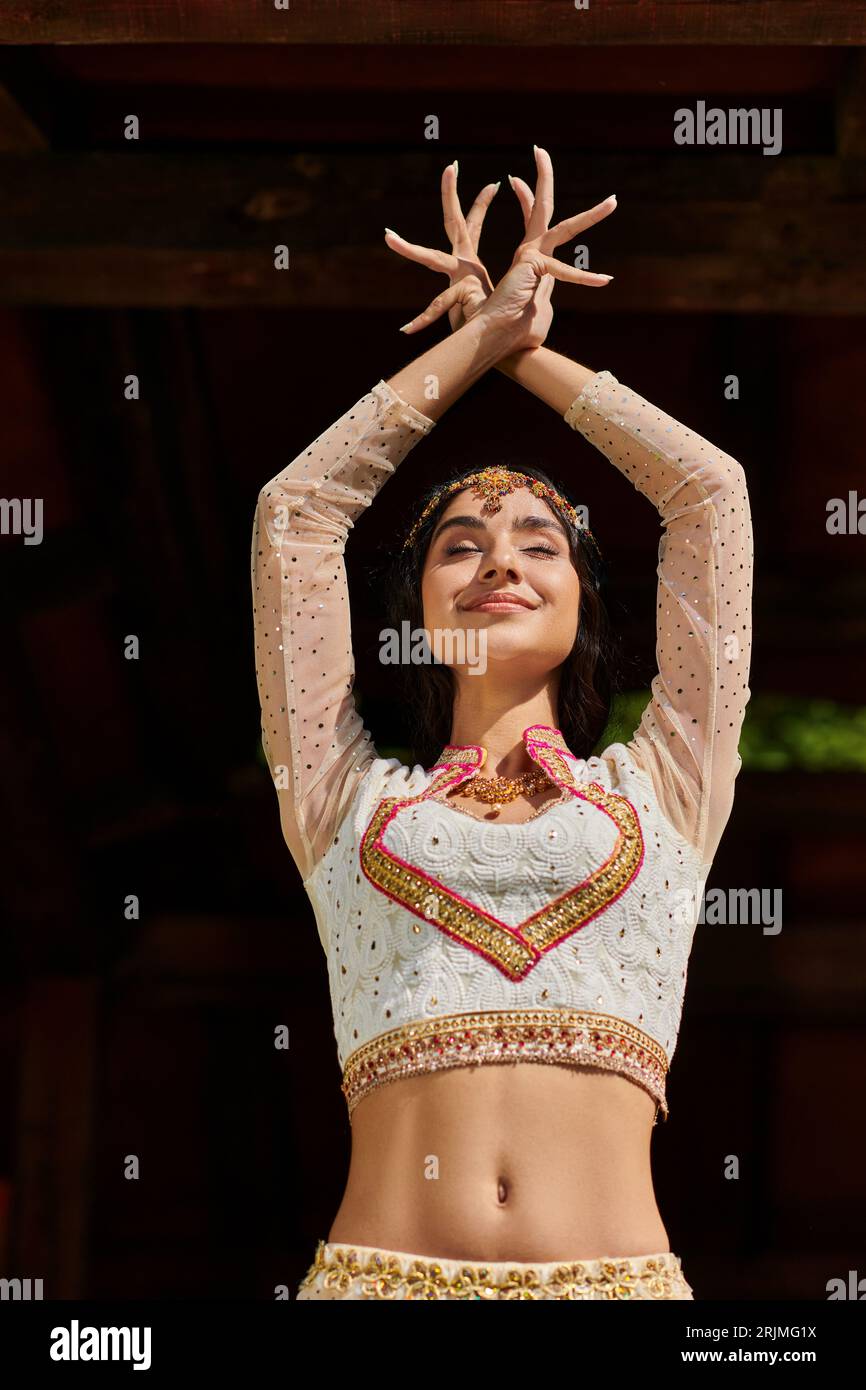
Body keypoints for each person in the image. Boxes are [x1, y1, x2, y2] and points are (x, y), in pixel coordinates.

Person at [251, 147, 753, 1300]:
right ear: (419, 614)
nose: (498, 562)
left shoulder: (665, 787)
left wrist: (529, 354)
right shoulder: (344, 797)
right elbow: (297, 515)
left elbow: (707, 495)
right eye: (459, 546)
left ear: (583, 607)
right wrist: (465, 347)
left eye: (540, 544)